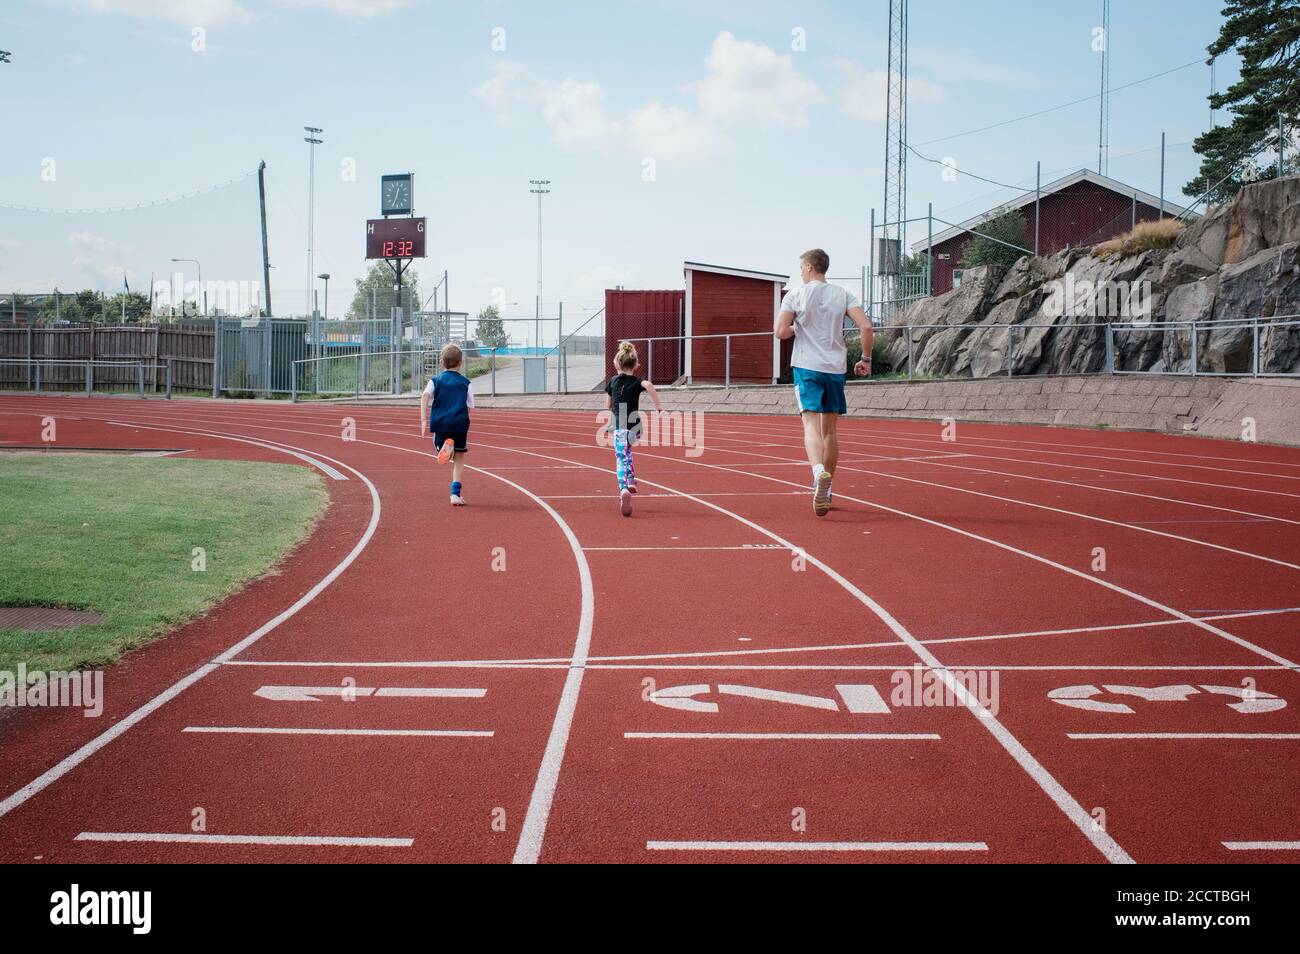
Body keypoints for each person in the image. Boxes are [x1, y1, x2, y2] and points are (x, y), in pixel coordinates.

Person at [775, 248, 873, 516]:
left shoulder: (796, 294)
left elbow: (780, 331)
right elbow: (866, 327)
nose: (800, 272)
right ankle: (827, 489)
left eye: (800, 268)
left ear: (808, 267)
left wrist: (796, 328)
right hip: (835, 368)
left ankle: (818, 473)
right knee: (830, 430)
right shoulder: (843, 294)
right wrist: (865, 359)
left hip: (807, 366)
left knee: (809, 424)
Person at [605, 340, 664, 517]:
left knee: (620, 456)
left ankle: (623, 488)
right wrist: (658, 406)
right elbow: (649, 385)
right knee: (627, 452)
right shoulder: (637, 381)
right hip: (635, 428)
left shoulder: (613, 382)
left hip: (620, 426)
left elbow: (607, 404)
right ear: (636, 364)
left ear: (617, 363)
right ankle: (631, 480)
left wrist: (612, 402)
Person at [420, 342, 476, 506]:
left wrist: (423, 419)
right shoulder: (466, 383)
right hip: (459, 423)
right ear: (460, 362)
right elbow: (470, 406)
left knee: (440, 443)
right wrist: (465, 421)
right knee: (459, 459)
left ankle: (442, 447)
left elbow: (424, 396)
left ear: (441, 362)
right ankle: (455, 494)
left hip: (441, 422)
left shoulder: (435, 381)